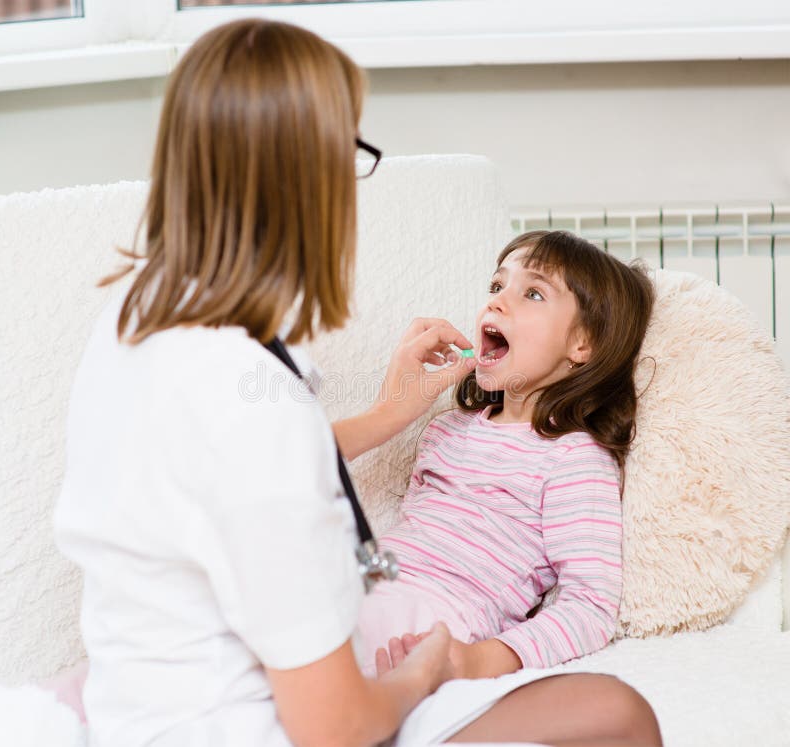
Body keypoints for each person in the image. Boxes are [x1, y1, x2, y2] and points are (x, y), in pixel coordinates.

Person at [50, 17, 663, 747]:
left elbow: (239, 466)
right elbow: (334, 722)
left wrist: (386, 416)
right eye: (349, 154)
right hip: (289, 699)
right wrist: (432, 669)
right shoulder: (257, 402)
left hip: (262, 655)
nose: (496, 299)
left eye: (532, 294)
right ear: (306, 181)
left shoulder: (135, 319)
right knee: (620, 719)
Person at [355, 230, 654, 685]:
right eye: (497, 287)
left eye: (532, 293)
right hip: (359, 586)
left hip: (425, 626)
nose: (497, 302)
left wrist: (478, 660)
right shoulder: (445, 429)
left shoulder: (573, 457)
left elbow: (590, 605)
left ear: (583, 345)